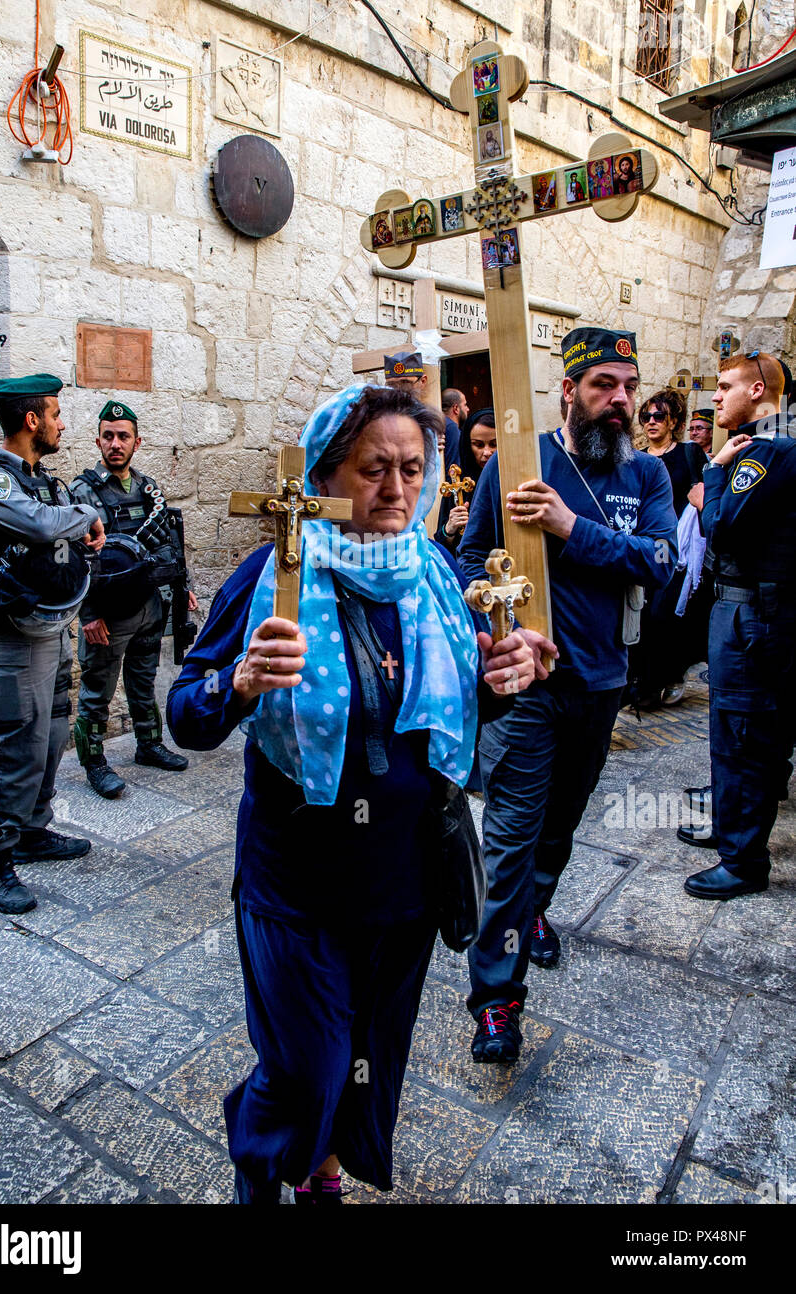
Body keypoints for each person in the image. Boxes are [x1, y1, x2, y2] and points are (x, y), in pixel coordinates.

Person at [166, 383, 535, 1203]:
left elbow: (455, 706)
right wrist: (237, 682)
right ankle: (265, 1167)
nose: (397, 490)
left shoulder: (435, 575)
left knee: (370, 1055)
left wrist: (503, 676)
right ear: (328, 475)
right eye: (374, 470)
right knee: (306, 1066)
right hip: (298, 881)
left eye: (413, 469)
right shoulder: (274, 577)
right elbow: (185, 717)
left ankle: (323, 1170)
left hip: (403, 885)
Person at [458, 327, 677, 1063]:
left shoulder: (647, 478)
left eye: (627, 387)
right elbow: (466, 562)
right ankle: (495, 1000)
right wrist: (486, 622)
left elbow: (660, 563)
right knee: (513, 840)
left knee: (559, 832)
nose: (619, 401)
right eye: (602, 386)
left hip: (602, 687)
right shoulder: (519, 465)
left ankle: (534, 912)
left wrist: (569, 526)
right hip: (528, 688)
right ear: (569, 392)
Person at [0, 375, 106, 915]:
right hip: (15, 636)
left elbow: (61, 519)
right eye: (55, 413)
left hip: (52, 626)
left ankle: (31, 830)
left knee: (49, 737)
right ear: (31, 421)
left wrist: (82, 522)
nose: (61, 423)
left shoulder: (42, 478)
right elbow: (44, 525)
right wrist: (88, 517)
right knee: (17, 747)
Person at [679, 352, 796, 899]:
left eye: (726, 387)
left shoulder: (762, 451)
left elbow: (722, 526)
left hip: (750, 613)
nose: (717, 396)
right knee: (762, 734)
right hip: (762, 611)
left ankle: (742, 859)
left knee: (740, 736)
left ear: (756, 390)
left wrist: (712, 471)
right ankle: (736, 832)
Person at [69, 401, 197, 797]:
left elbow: (170, 542)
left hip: (147, 606)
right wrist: (87, 614)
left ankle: (149, 744)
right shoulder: (84, 490)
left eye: (123, 436)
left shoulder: (148, 488)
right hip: (106, 612)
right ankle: (94, 762)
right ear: (98, 441)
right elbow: (75, 558)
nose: (115, 443)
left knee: (143, 681)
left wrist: (183, 583)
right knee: (97, 690)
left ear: (136, 442)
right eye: (108, 436)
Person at [626, 389, 707, 708]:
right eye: (645, 416)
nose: (651, 422)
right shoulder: (636, 457)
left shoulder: (689, 455)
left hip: (677, 552)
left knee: (663, 617)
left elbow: (704, 495)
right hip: (642, 548)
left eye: (659, 416)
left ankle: (666, 677)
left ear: (674, 421)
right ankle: (642, 684)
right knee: (641, 616)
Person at [436, 408, 496, 551]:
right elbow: (442, 541)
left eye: (494, 444)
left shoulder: (513, 481)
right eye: (478, 445)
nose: (487, 452)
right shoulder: (458, 485)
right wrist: (450, 527)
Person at [441, 387, 468, 475]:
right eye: (465, 405)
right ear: (456, 408)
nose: (468, 409)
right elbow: (452, 466)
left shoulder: (443, 423)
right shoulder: (451, 427)